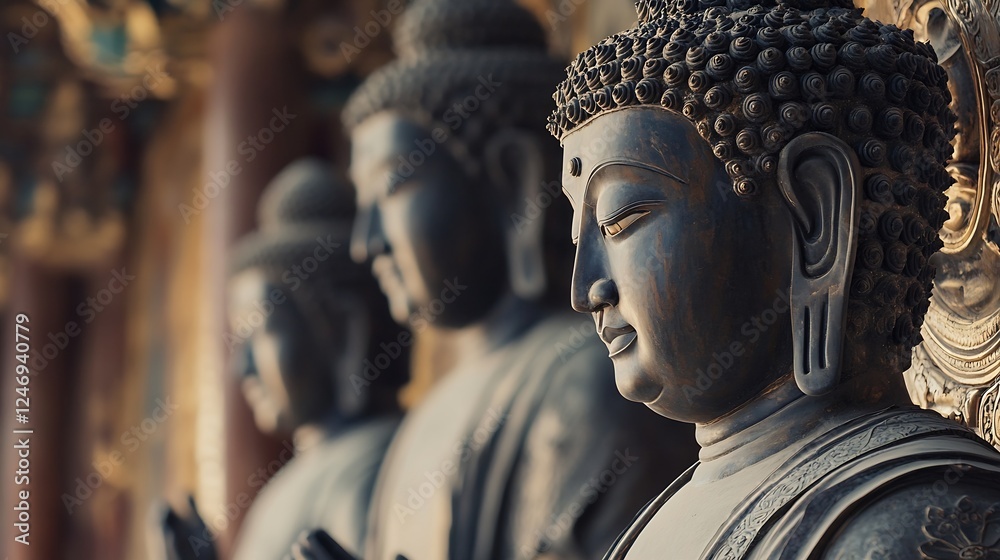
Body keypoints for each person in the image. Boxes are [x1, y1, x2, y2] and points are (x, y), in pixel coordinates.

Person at [546, 0, 1000, 558]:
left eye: (622, 218)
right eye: (578, 238)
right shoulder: (658, 521)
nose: (583, 288)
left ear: (815, 221)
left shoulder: (921, 521)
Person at [153, 159, 407, 560]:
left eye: (263, 333)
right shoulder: (283, 491)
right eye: (240, 340)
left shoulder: (376, 465)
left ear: (341, 331)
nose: (244, 368)